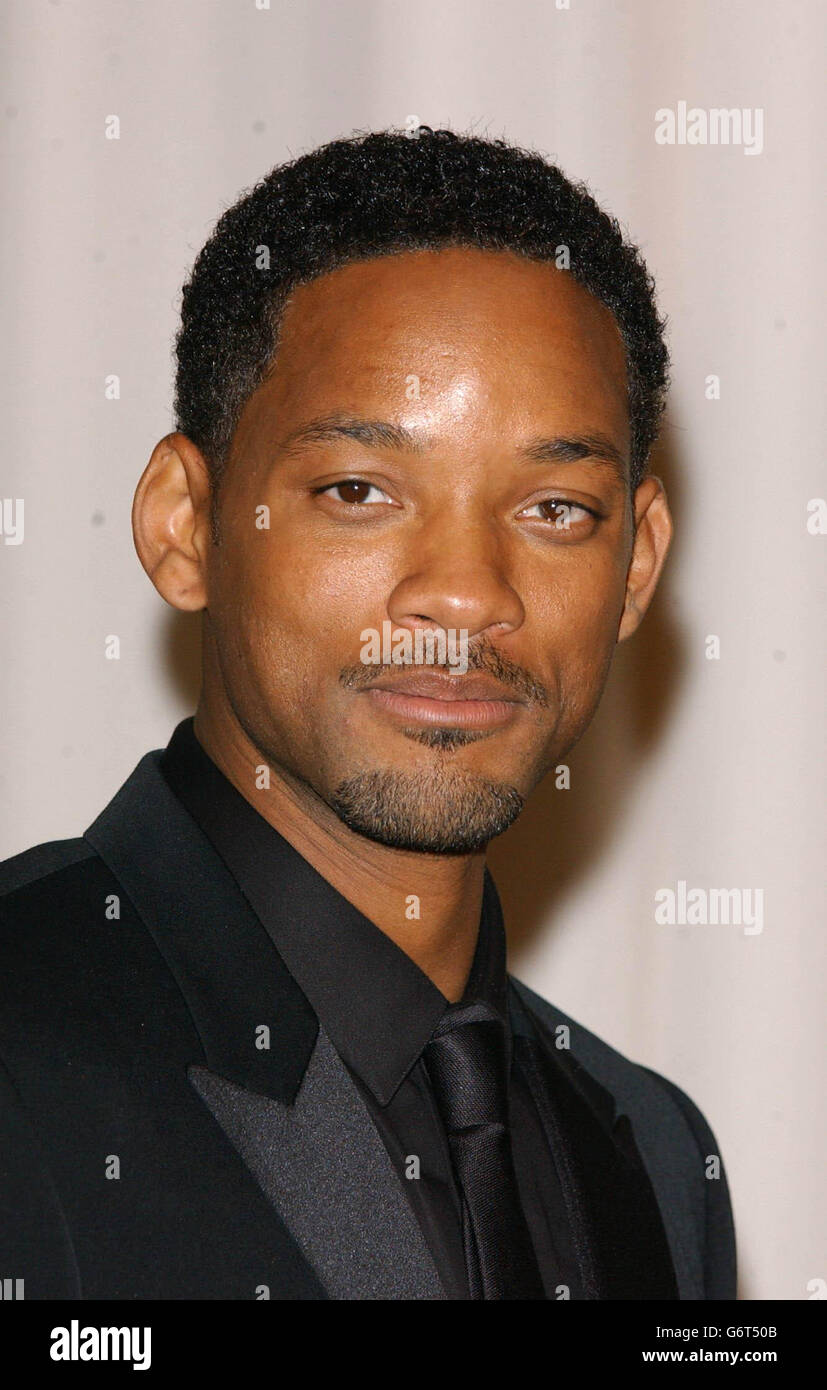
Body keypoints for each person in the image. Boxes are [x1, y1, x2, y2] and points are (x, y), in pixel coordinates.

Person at [0, 127, 736, 1300]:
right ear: (185, 525)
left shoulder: (649, 1154)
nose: (466, 591)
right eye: (358, 490)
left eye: (553, 506)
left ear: (637, 565)